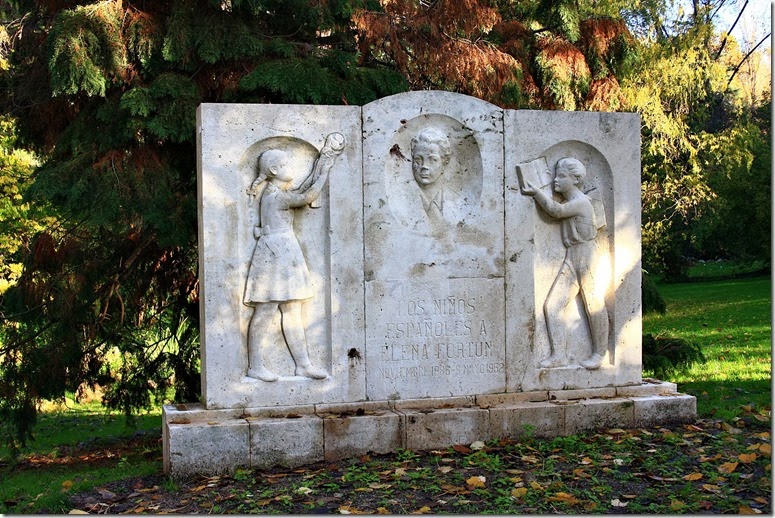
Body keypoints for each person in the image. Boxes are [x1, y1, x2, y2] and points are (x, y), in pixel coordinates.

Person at [243, 133, 344, 381]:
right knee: (266, 310)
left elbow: (302, 189)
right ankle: (255, 366)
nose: (292, 169)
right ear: (275, 170)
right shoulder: (275, 196)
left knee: (292, 308)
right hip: (275, 254)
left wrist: (324, 160)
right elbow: (306, 196)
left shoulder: (278, 192)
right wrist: (324, 172)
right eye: (287, 165)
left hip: (285, 252)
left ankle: (303, 364)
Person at [522, 157, 609, 370]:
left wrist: (536, 192)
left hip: (586, 256)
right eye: (555, 175)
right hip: (572, 256)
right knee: (552, 306)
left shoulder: (581, 202)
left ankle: (599, 353)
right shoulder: (574, 201)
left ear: (576, 179)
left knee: (594, 303)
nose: (555, 180)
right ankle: (559, 355)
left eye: (561, 176)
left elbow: (556, 211)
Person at [408, 127, 465, 230]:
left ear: (444, 163)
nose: (424, 166)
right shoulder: (401, 198)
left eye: (432, 160)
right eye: (418, 159)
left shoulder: (457, 201)